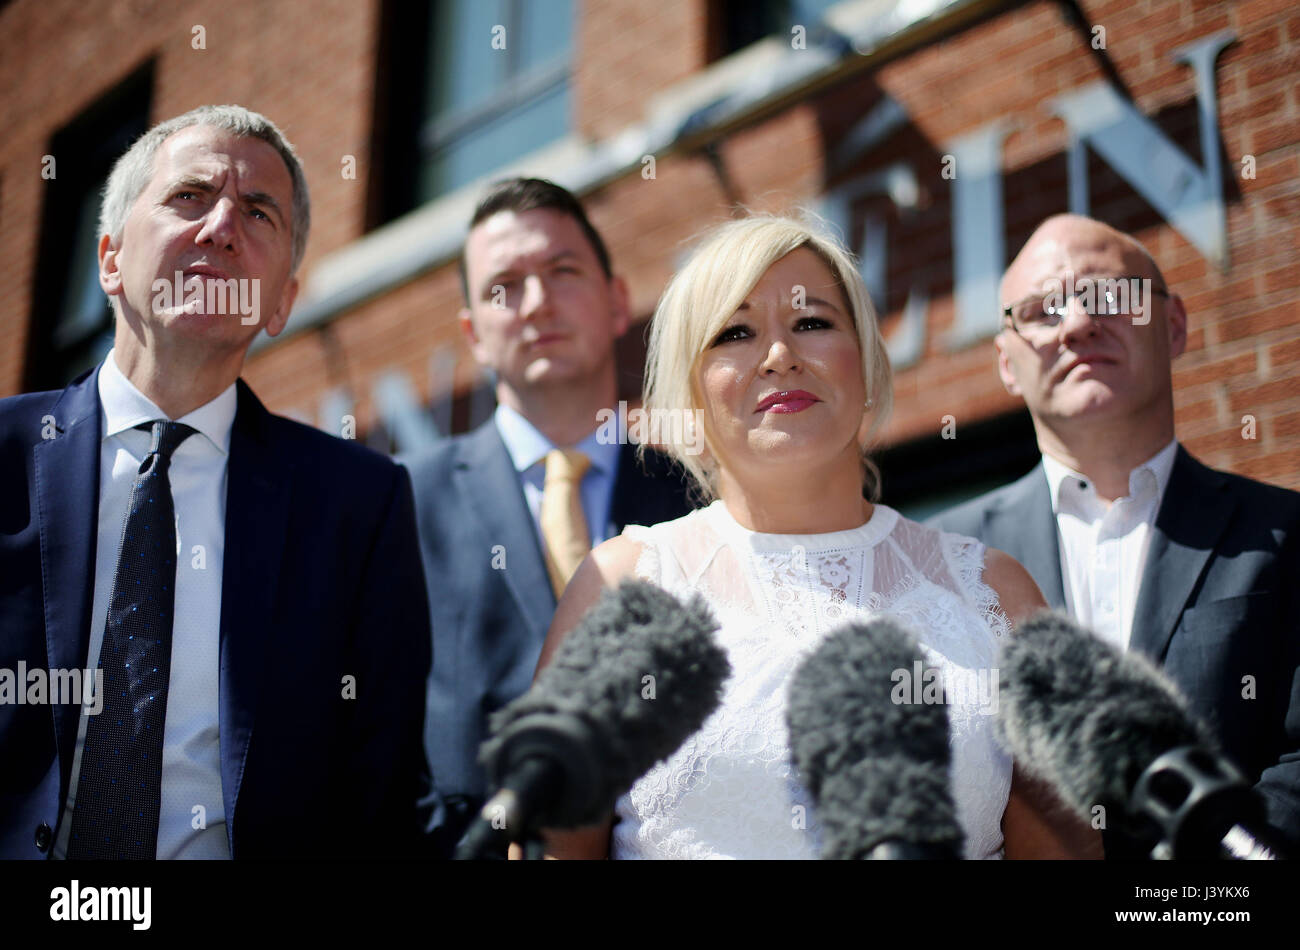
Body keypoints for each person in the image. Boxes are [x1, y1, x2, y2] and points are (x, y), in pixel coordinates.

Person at [527, 215, 1100, 859]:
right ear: (690, 391)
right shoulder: (620, 587)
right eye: (735, 332)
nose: (779, 355)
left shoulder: (994, 591)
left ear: (866, 362)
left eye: (812, 323)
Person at [0, 105, 430, 859]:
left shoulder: (358, 505)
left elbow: (381, 787)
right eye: (189, 197)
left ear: (281, 304)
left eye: (259, 212)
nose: (222, 227)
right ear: (109, 258)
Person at [931, 213, 1300, 853]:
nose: (1078, 322)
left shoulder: (1289, 533)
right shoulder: (938, 559)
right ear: (1007, 364)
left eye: (1110, 295)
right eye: (1045, 310)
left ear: (1175, 325)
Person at [404, 178, 693, 856]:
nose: (536, 303)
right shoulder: (398, 503)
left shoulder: (699, 497)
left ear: (618, 301)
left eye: (562, 271)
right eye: (504, 286)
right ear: (473, 333)